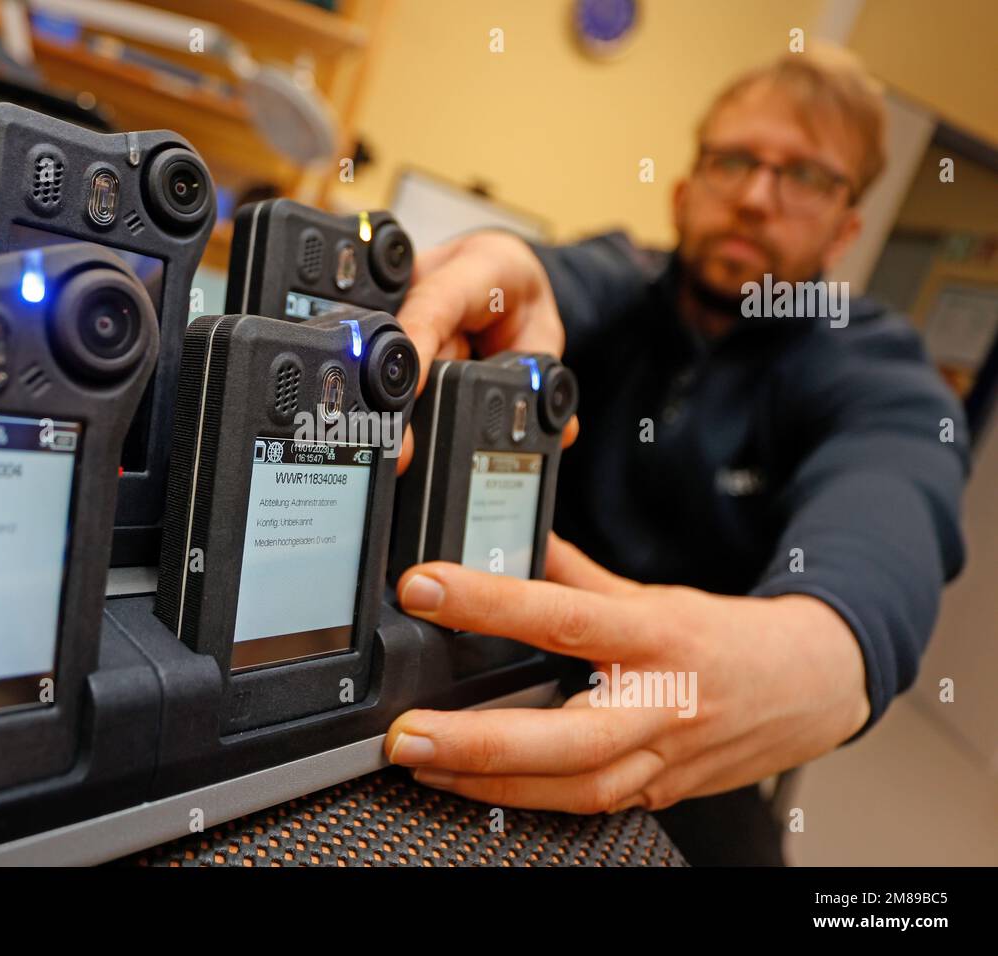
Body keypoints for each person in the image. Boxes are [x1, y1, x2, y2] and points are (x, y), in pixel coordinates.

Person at [381, 49, 971, 865]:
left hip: (697, 738)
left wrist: (827, 644)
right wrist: (502, 262)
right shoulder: (622, 283)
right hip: (484, 676)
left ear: (846, 230)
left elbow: (894, 500)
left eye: (806, 175)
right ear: (686, 189)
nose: (757, 196)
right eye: (735, 160)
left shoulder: (871, 368)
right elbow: (554, 279)